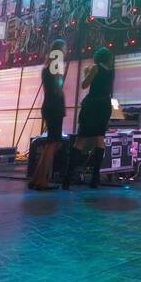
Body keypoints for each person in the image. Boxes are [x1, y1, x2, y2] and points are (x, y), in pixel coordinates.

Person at [65, 47, 114, 190]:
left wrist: (87, 72)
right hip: (105, 105)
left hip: (92, 105)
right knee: (100, 140)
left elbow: (84, 84)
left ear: (97, 57)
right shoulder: (111, 71)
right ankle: (95, 179)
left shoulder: (95, 68)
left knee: (80, 140)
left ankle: (67, 179)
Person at [29, 40, 68, 191]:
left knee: (52, 143)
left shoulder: (47, 67)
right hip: (55, 106)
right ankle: (42, 181)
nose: (66, 50)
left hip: (48, 106)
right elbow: (58, 88)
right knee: (53, 143)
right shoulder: (57, 66)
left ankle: (37, 178)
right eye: (64, 48)